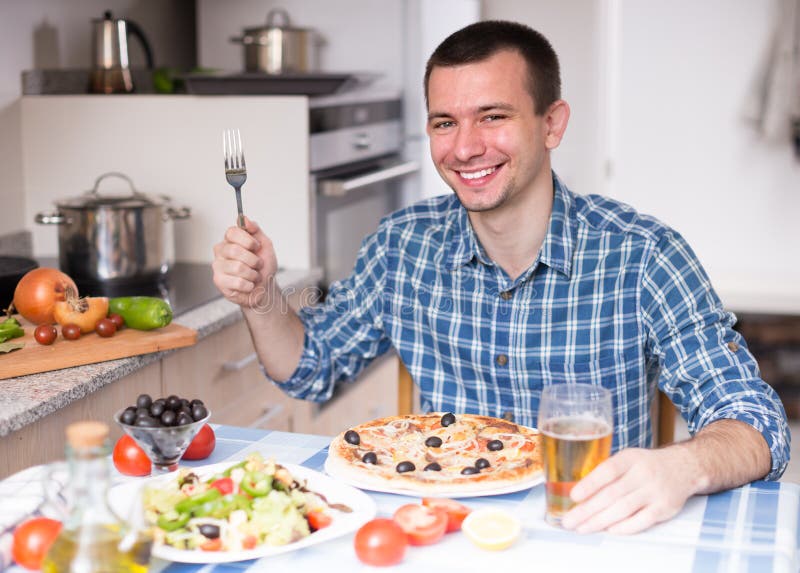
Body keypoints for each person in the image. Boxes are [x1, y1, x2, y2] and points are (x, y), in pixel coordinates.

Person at [212, 20, 790, 534]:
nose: (464, 147)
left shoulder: (643, 256)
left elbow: (756, 422)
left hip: (587, 530)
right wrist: (263, 301)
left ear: (551, 124)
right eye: (445, 122)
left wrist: (682, 465)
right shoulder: (401, 245)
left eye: (492, 116)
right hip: (444, 534)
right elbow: (313, 368)